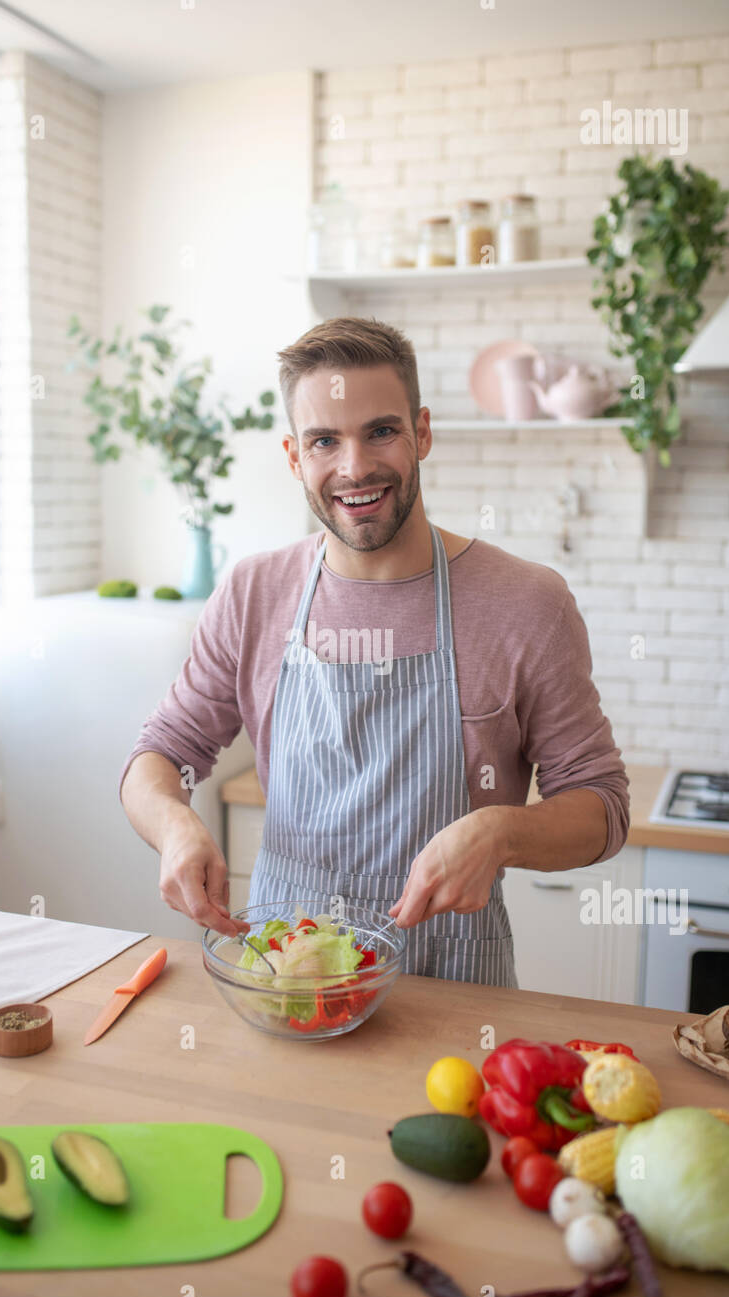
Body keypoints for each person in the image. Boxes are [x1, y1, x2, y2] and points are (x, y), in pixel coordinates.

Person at [119, 317, 629, 985]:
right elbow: (159, 754)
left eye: (380, 431)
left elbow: (603, 805)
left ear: (421, 432)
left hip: (452, 997)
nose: (355, 467)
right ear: (295, 457)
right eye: (325, 440)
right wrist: (175, 826)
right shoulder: (253, 592)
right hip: (287, 987)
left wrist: (500, 832)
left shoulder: (527, 602)